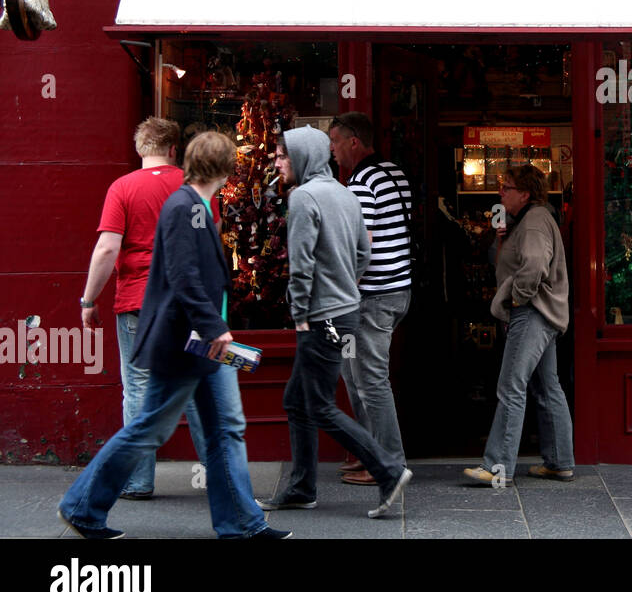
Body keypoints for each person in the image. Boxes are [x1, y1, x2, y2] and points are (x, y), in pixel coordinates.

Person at [58, 132, 289, 539]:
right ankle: (81, 507)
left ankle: (243, 524)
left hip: (201, 341)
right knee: (151, 427)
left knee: (225, 427)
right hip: (186, 341)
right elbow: (185, 274)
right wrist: (216, 326)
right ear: (223, 167)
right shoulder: (186, 207)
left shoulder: (193, 205)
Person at [260, 126, 412, 518]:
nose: (277, 163)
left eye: (283, 156)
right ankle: (301, 487)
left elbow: (301, 267)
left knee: (318, 404)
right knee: (298, 401)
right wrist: (346, 283)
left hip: (319, 316)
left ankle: (388, 470)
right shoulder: (345, 193)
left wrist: (299, 315)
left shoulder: (305, 197)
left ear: (303, 157)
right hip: (345, 311)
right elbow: (364, 250)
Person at [78, 117, 207, 500]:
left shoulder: (122, 188)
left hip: (139, 302)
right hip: (188, 305)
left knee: (138, 387)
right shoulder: (193, 187)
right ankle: (221, 475)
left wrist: (88, 299)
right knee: (197, 389)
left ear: (141, 150)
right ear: (173, 150)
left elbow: (107, 248)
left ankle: (137, 480)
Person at [464, 164, 575, 486]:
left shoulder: (535, 222)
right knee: (546, 386)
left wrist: (517, 301)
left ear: (525, 193)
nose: (501, 192)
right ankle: (559, 462)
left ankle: (498, 467)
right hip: (543, 312)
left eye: (507, 187)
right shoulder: (529, 221)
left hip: (532, 313)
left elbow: (535, 265)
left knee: (511, 386)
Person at [327, 112, 413, 486]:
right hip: (394, 292)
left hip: (372, 298)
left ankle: (389, 463)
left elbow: (363, 245)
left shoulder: (362, 181)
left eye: (334, 142)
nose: (332, 151)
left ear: (353, 143)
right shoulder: (394, 173)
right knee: (353, 372)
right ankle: (369, 453)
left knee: (371, 379)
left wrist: (343, 290)